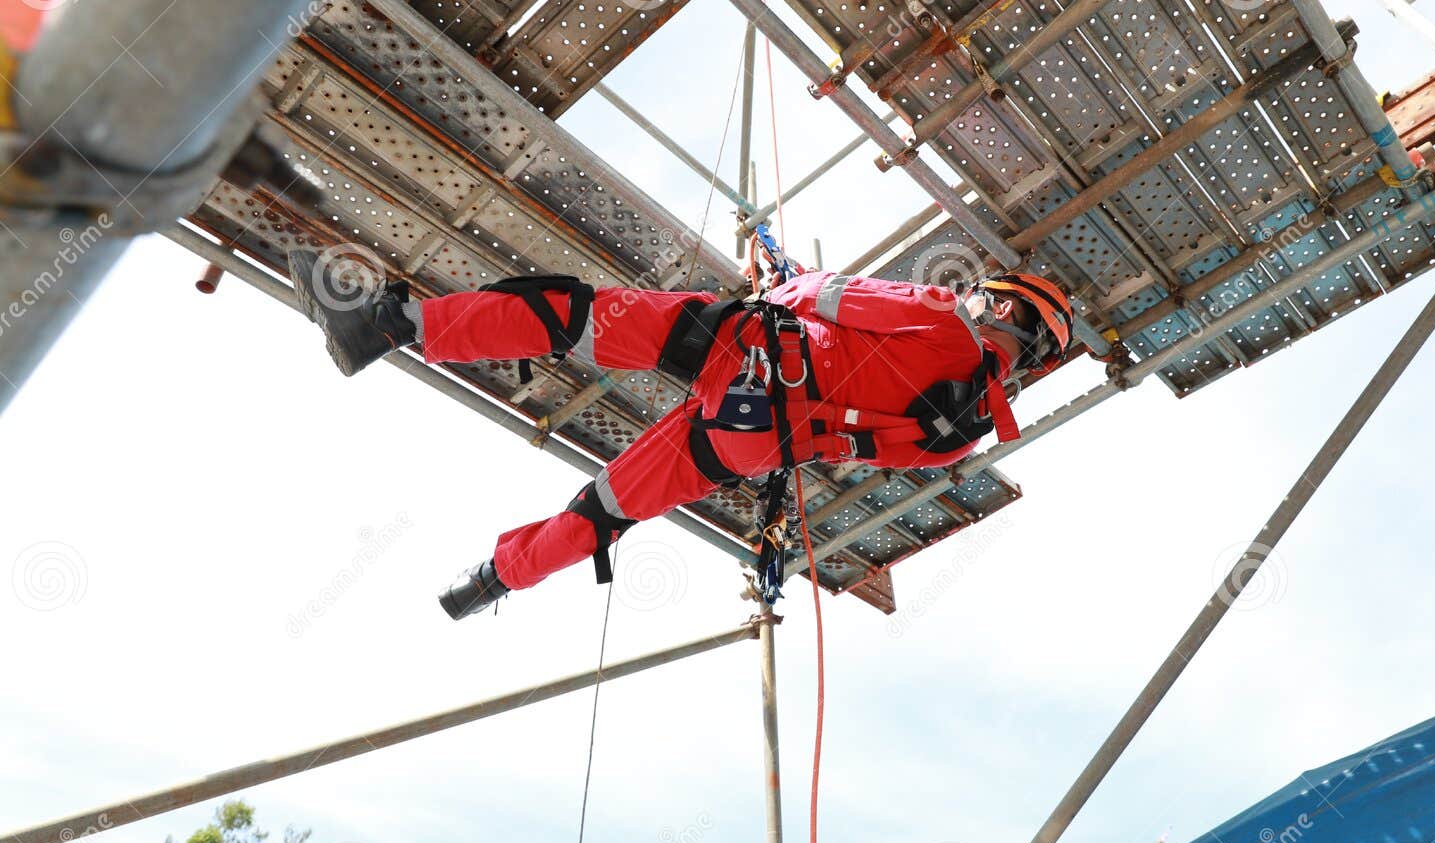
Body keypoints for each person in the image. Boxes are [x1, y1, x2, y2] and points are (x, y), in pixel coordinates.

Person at [288, 254, 1072, 619]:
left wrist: (779, 285)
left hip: (748, 353)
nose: (970, 293)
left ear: (1003, 310)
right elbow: (857, 423)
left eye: (984, 292)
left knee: (571, 315)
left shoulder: (943, 315)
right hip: (752, 441)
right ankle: (491, 581)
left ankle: (390, 326)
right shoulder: (959, 438)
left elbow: (826, 295)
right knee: (608, 508)